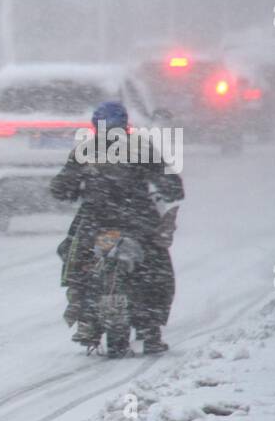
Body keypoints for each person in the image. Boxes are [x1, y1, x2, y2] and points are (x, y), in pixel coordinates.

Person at [51, 100, 184, 355]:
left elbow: (60, 187)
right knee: (157, 270)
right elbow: (171, 185)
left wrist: (72, 189)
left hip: (96, 223)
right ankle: (150, 329)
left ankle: (87, 317)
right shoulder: (141, 148)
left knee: (76, 259)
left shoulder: (86, 151)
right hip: (137, 221)